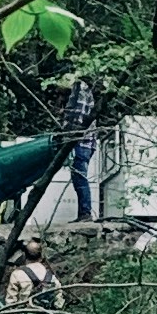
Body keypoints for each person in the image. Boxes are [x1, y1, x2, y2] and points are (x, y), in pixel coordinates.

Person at [59, 71, 98, 221]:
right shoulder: (83, 90)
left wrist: (67, 134)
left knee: (80, 178)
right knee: (78, 178)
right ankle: (83, 213)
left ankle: (85, 213)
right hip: (85, 142)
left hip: (81, 142)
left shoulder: (80, 88)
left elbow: (78, 117)